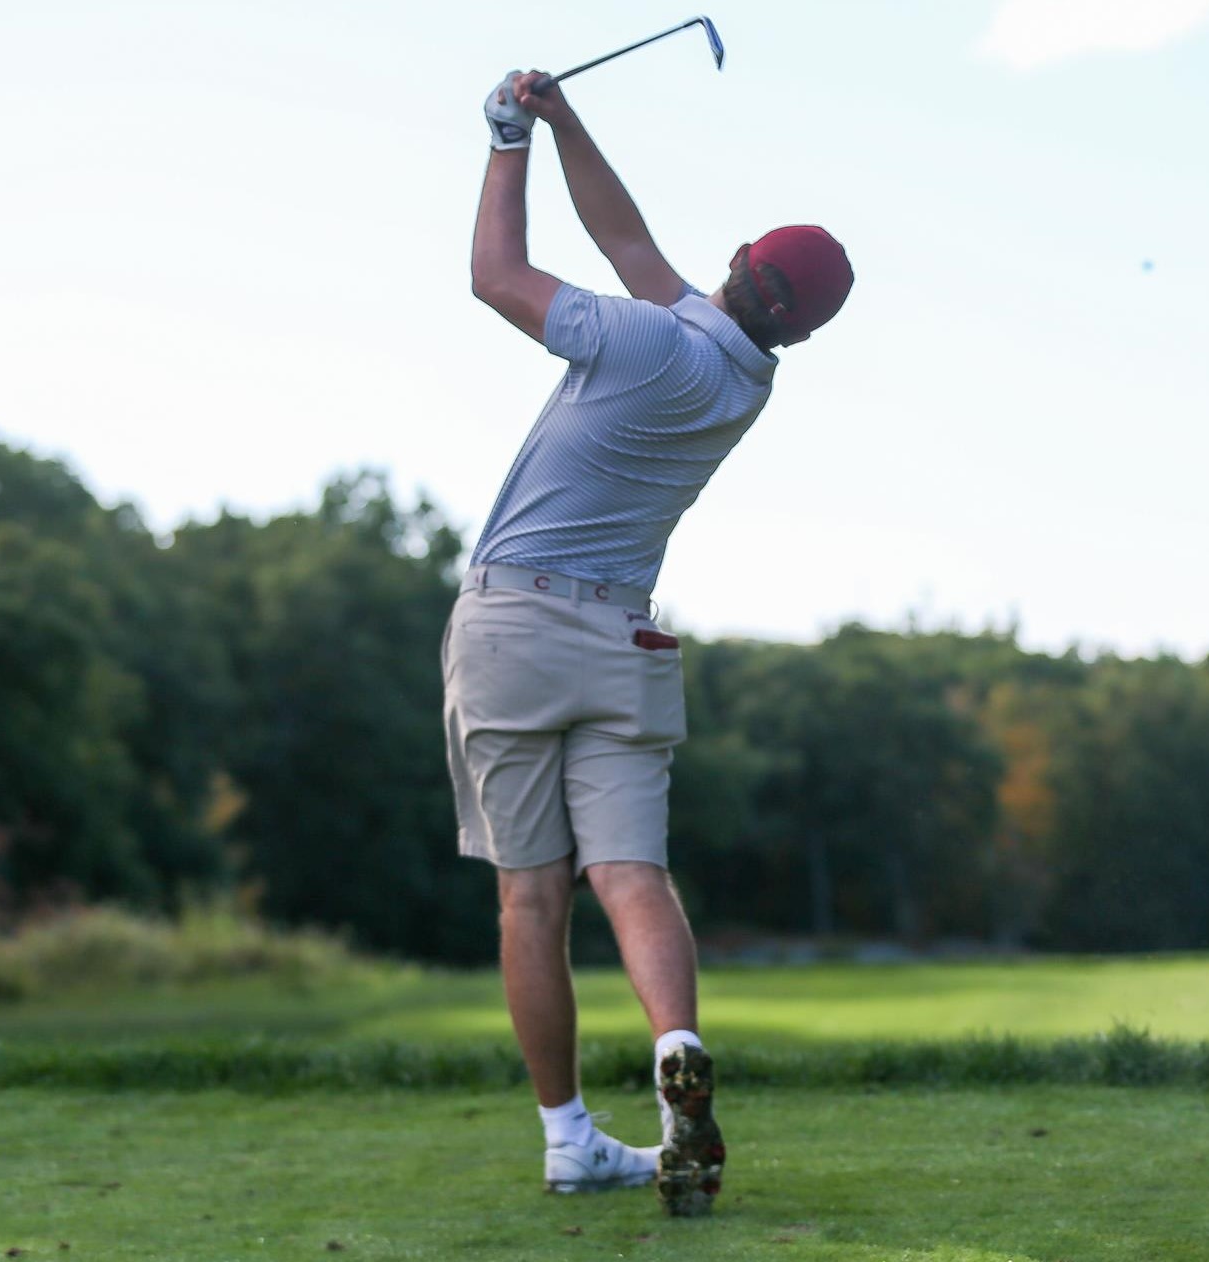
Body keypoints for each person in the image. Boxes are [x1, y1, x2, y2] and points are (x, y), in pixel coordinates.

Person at [452, 70, 853, 1217]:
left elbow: (494, 275)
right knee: (630, 871)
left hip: (513, 625)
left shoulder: (640, 341)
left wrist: (506, 139)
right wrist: (565, 123)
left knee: (532, 898)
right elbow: (625, 240)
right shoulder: (740, 378)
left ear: (735, 260)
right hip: (625, 638)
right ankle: (675, 1044)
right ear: (798, 329)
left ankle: (568, 1137)